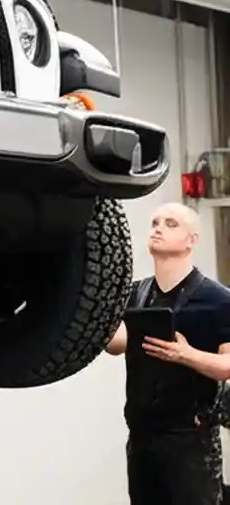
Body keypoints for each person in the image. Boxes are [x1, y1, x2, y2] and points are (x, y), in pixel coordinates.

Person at [105, 201, 230, 504]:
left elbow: (228, 365)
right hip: (142, 438)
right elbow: (116, 344)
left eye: (171, 224)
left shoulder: (218, 300)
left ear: (191, 240)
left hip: (190, 442)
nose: (158, 228)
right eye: (155, 222)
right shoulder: (134, 294)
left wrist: (185, 355)